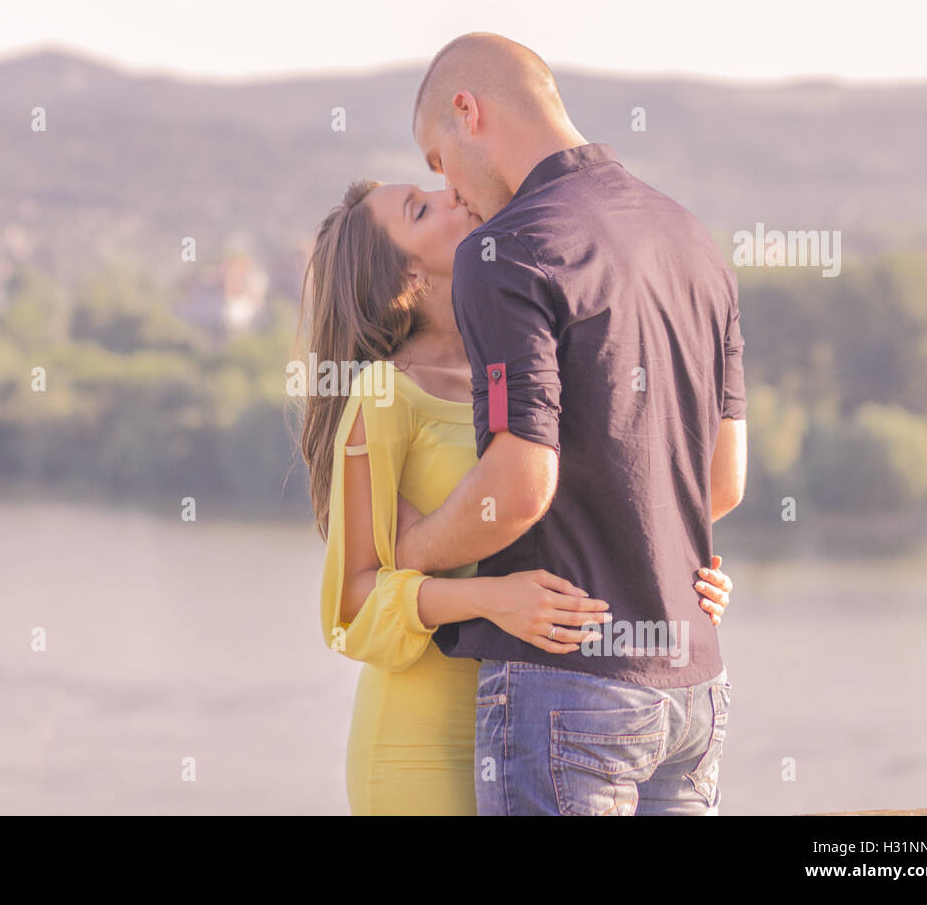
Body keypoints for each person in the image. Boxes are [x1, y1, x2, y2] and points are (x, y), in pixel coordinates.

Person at [296, 175, 736, 815]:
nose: (450, 192)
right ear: (404, 278)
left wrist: (684, 581)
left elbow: (604, 513)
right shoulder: (386, 396)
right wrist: (489, 599)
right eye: (421, 209)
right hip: (422, 741)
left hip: (540, 721)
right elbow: (355, 599)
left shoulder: (526, 373)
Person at [394, 33, 748, 815]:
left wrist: (411, 548)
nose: (450, 189)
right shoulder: (691, 238)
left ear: (468, 111)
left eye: (436, 160)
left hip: (567, 688)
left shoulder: (505, 250)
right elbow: (722, 478)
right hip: (695, 688)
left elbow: (520, 486)